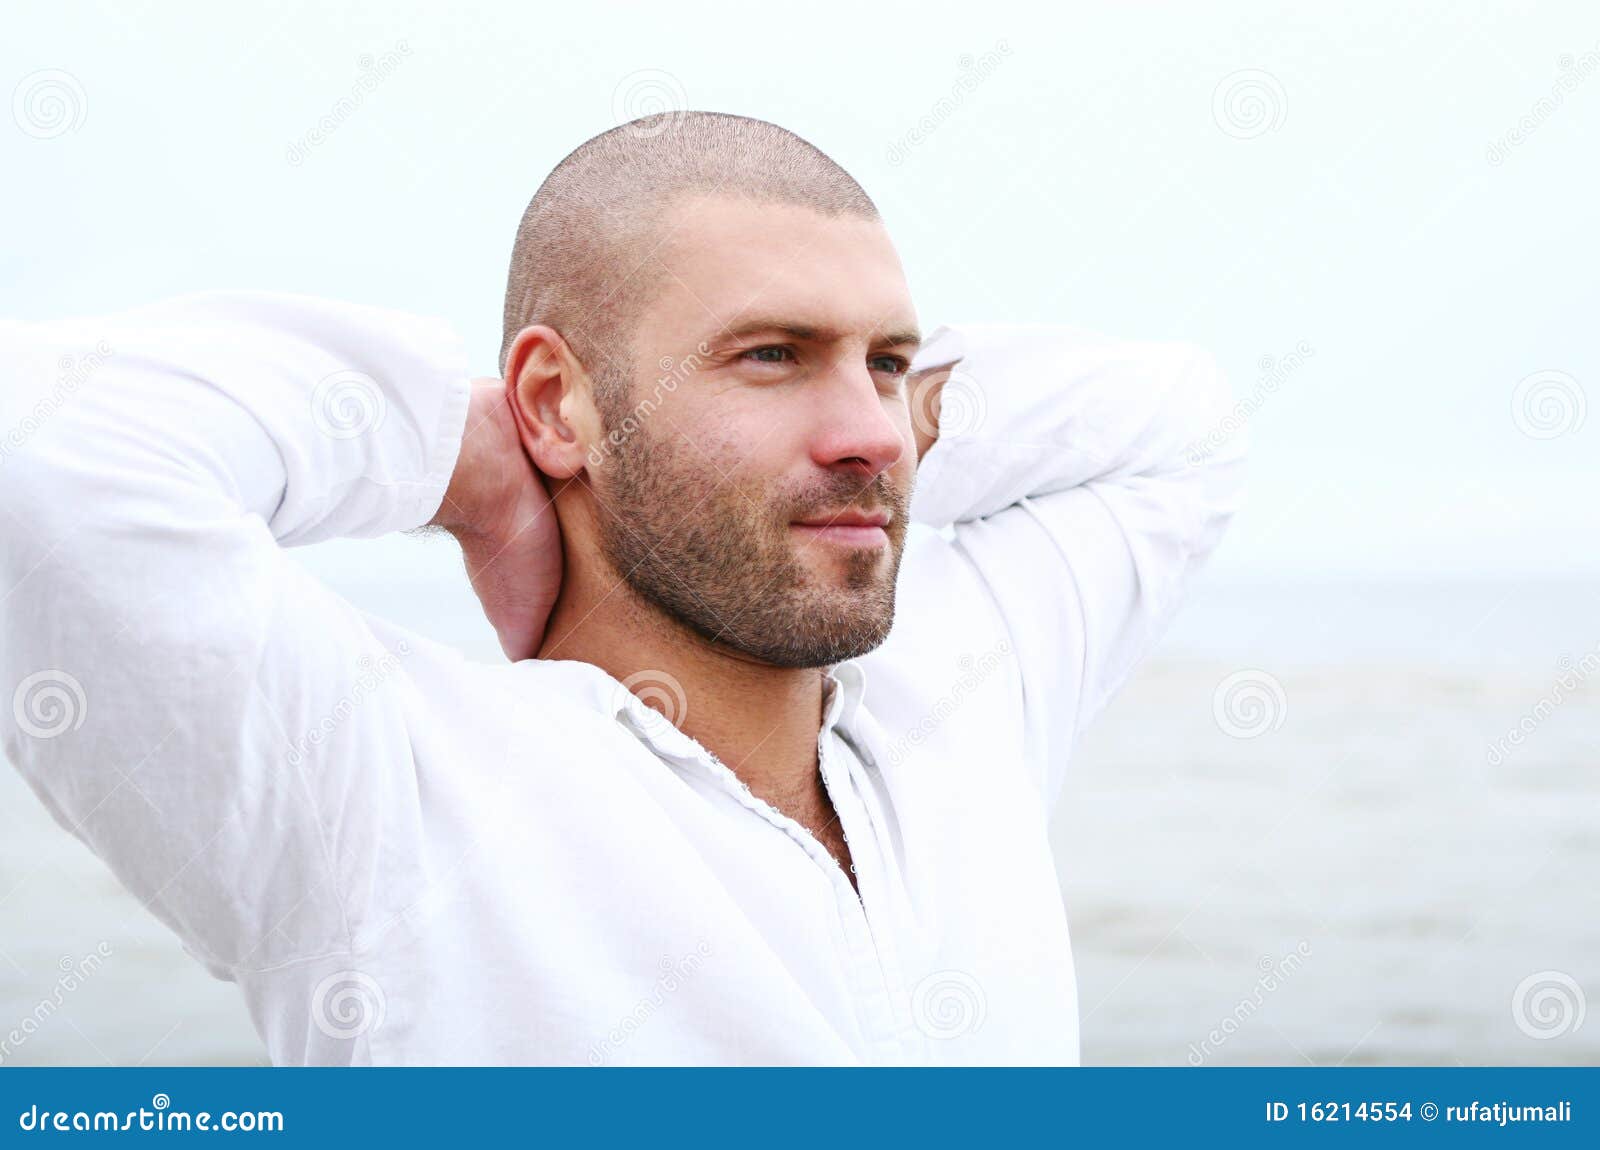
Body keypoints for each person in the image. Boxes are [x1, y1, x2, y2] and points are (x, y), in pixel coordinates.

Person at [0, 112, 1245, 1064]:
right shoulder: (378, 792)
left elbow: (1178, 425)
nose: (873, 432)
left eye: (891, 361)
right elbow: (36, 447)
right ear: (557, 400)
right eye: (771, 354)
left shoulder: (967, 693)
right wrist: (461, 455)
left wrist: (852, 401)